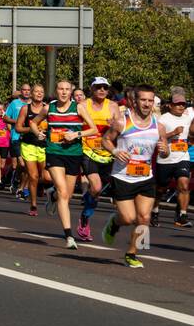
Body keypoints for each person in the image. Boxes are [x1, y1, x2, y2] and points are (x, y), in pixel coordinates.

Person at [102, 85, 171, 267]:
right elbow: (105, 140)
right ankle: (114, 223)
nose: (147, 104)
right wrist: (116, 151)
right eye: (143, 100)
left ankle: (132, 253)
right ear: (135, 101)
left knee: (144, 218)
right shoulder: (122, 122)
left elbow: (165, 152)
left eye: (150, 100)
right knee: (128, 218)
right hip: (123, 176)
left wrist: (165, 151)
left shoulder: (159, 126)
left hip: (145, 177)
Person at [43, 79, 86, 248]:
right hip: (54, 152)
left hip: (74, 154)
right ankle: (69, 236)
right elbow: (33, 122)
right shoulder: (49, 108)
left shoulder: (79, 107)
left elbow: (93, 129)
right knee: (63, 191)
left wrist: (76, 135)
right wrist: (37, 131)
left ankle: (52, 196)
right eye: (61, 89)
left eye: (67, 89)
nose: (64, 92)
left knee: (65, 196)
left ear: (71, 92)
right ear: (56, 90)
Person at [78, 77, 121, 240]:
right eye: (98, 87)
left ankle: (86, 209)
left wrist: (114, 126)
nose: (102, 90)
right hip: (87, 150)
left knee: (97, 190)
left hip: (106, 153)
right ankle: (84, 219)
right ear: (91, 89)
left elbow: (120, 130)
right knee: (95, 187)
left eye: (105, 87)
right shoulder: (83, 105)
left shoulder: (113, 106)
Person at [156, 87, 192, 228]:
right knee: (161, 189)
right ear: (170, 105)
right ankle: (154, 210)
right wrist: (173, 133)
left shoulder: (188, 117)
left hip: (183, 157)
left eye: (183, 104)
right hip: (165, 158)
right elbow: (158, 137)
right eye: (177, 104)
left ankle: (182, 215)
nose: (181, 106)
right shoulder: (163, 119)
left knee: (184, 184)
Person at [15, 85, 50, 215]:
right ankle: (33, 205)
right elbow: (18, 128)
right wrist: (32, 129)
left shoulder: (48, 109)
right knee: (33, 176)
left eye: (42, 91)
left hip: (44, 146)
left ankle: (44, 189)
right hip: (28, 145)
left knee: (46, 177)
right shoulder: (25, 109)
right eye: (36, 91)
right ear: (31, 94)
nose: (39, 94)